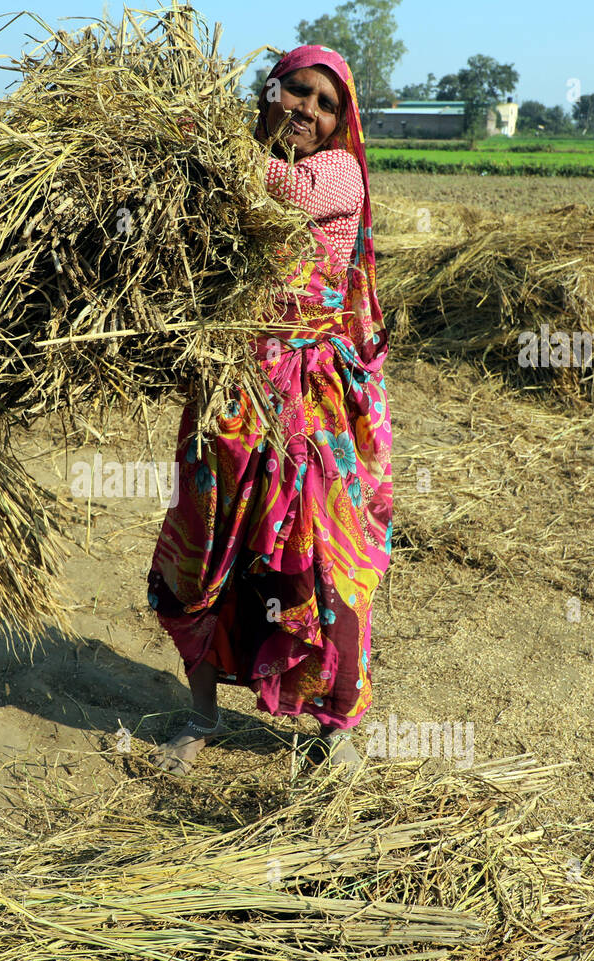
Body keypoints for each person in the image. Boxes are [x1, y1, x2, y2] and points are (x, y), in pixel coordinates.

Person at [149, 45, 393, 776]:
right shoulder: (226, 172)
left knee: (325, 563)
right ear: (269, 92)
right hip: (231, 390)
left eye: (326, 103)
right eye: (298, 93)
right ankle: (201, 715)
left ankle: (334, 727)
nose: (310, 113)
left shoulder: (336, 171)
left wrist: (205, 139)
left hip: (312, 400)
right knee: (208, 548)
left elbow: (282, 192)